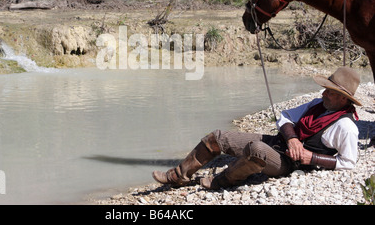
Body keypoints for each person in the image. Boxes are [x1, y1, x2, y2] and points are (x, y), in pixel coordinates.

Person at [152, 67, 361, 190]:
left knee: (256, 149)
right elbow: (285, 116)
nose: (324, 94)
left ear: (344, 99)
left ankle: (220, 181)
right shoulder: (316, 104)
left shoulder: (346, 127)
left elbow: (348, 162)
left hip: (289, 163)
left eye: (330, 93)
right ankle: (179, 175)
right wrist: (292, 139)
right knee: (217, 137)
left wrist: (312, 158)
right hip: (279, 144)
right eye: (325, 90)